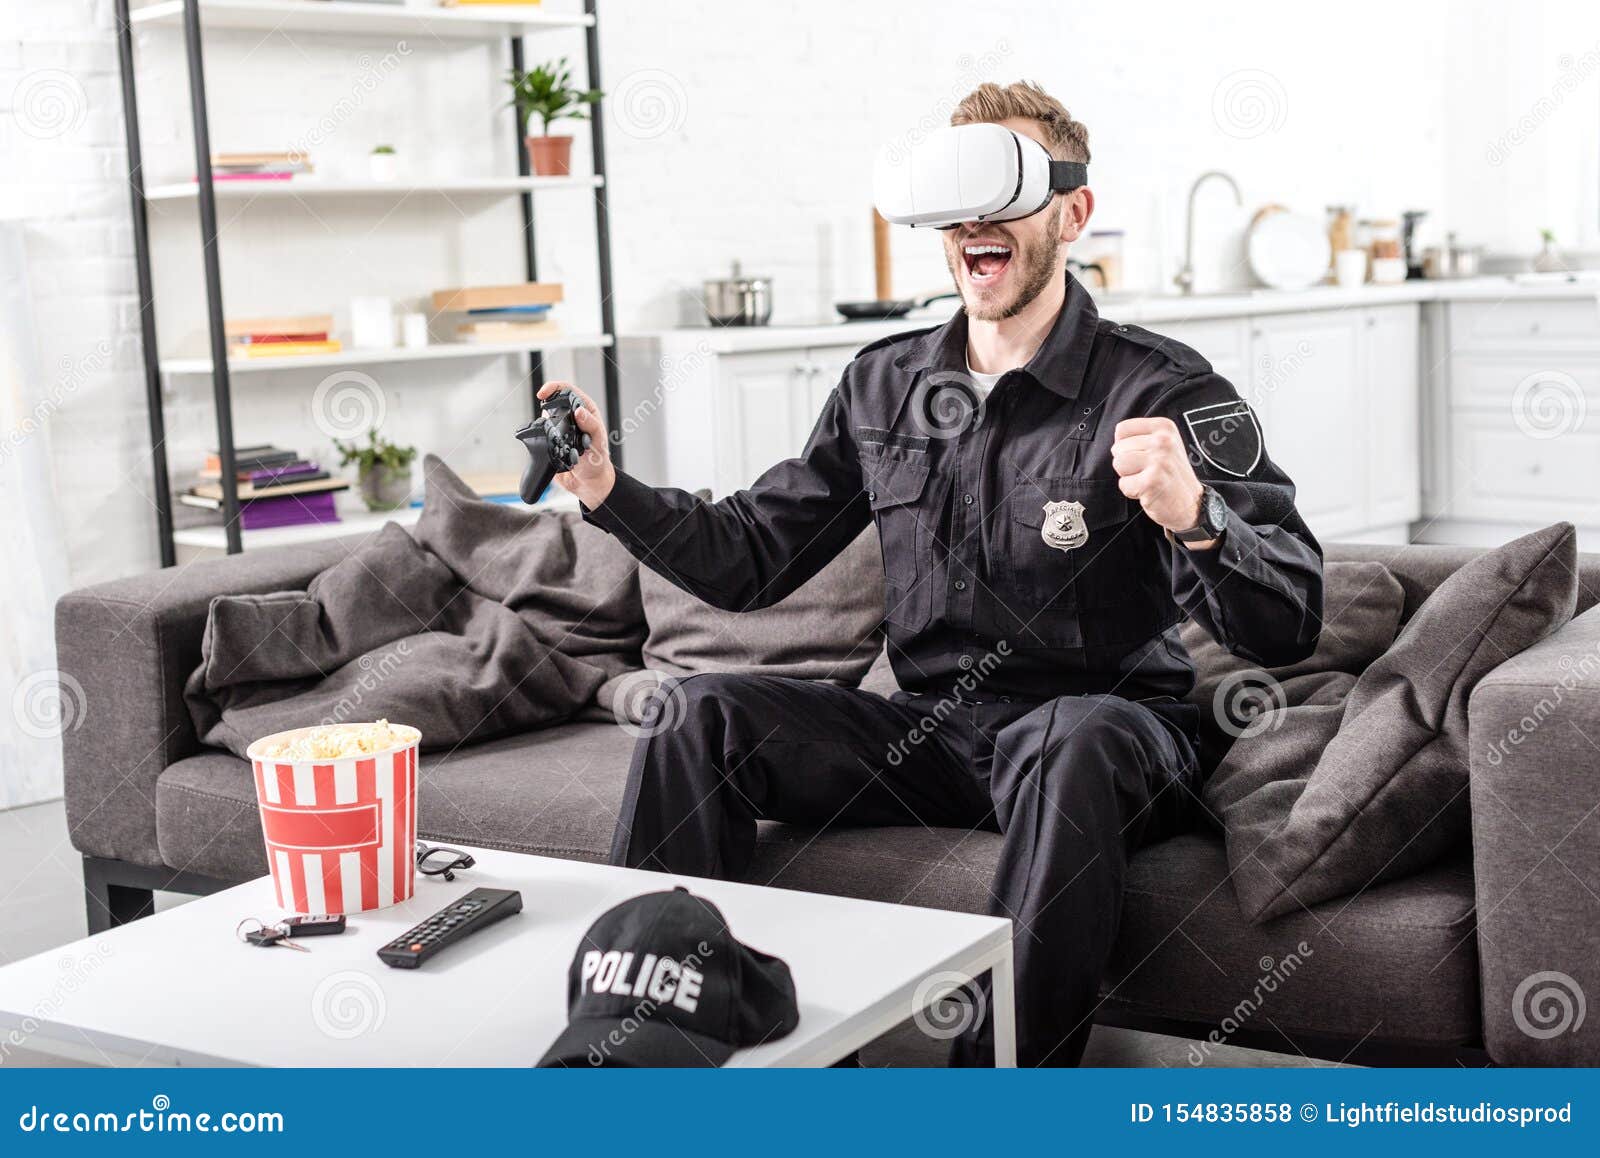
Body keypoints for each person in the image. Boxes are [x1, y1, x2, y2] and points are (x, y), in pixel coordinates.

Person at [542, 80, 1323, 1066]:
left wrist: (1197, 517)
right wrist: (609, 487)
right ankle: (641, 1054)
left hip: (1108, 737)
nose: (975, 223)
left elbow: (1291, 615)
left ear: (1074, 213)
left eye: (1005, 192)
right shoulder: (885, 382)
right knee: (695, 712)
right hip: (934, 736)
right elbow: (749, 557)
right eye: (957, 197)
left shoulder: (1170, 388)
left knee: (1066, 735)